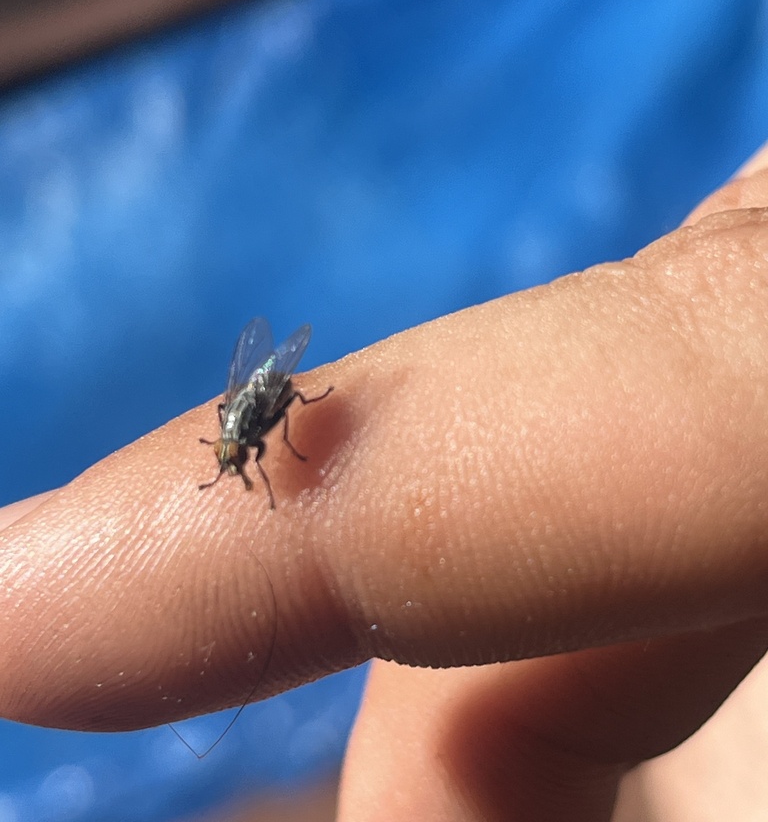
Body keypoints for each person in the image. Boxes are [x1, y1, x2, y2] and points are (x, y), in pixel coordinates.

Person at [3, 144, 768, 822]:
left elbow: (266, 397)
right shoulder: (233, 439)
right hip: (258, 402)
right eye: (234, 463)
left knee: (288, 415)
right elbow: (241, 405)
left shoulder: (256, 431)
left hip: (277, 399)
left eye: (233, 461)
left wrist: (278, 445)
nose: (234, 464)